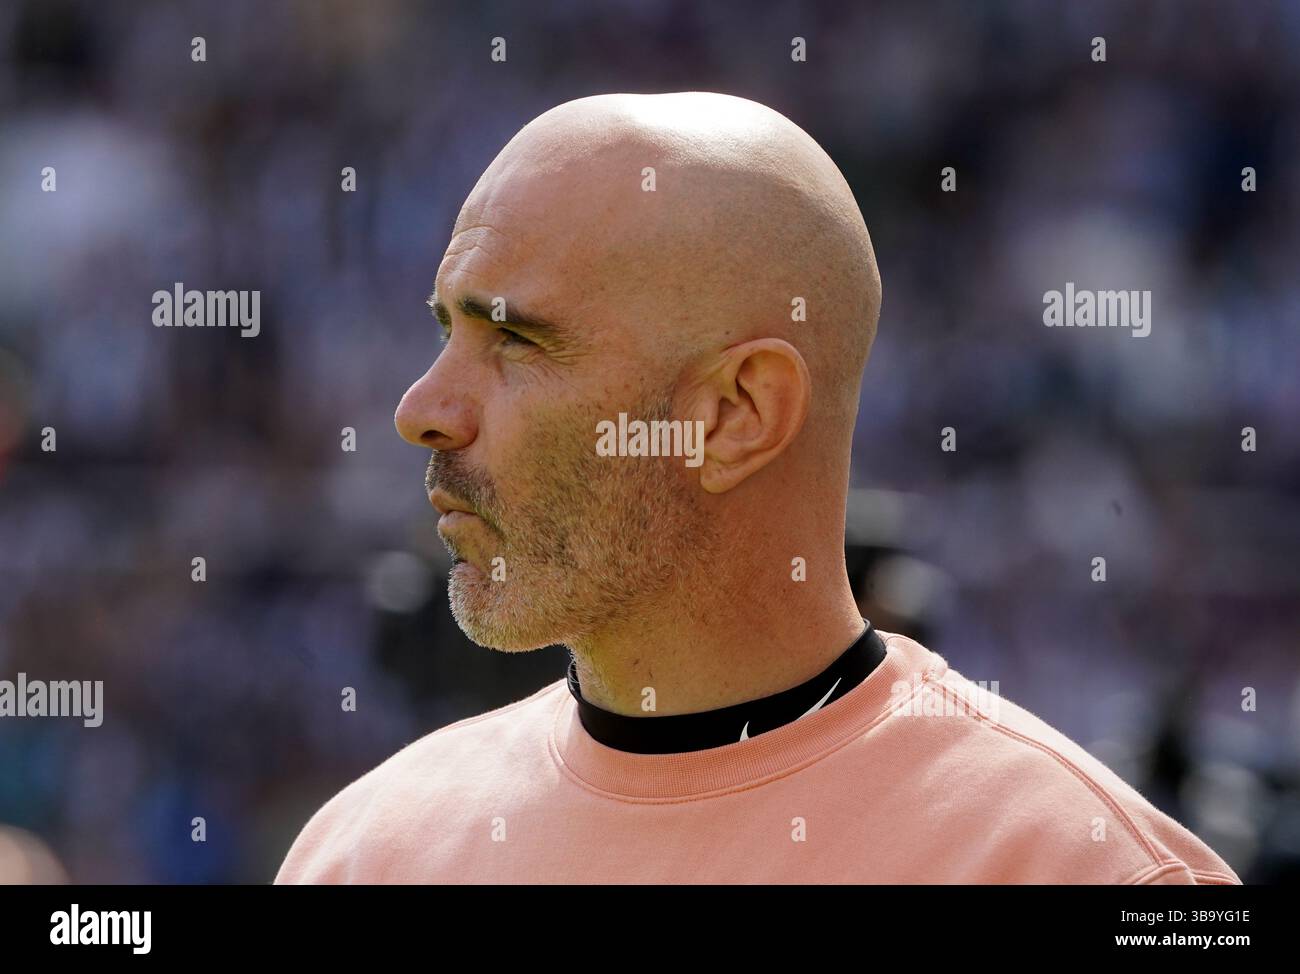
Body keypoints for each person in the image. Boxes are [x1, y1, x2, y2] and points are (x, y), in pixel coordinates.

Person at [275, 91, 1240, 884]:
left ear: (739, 413)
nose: (420, 409)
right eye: (446, 329)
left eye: (518, 341)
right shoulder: (361, 856)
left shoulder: (1099, 875)